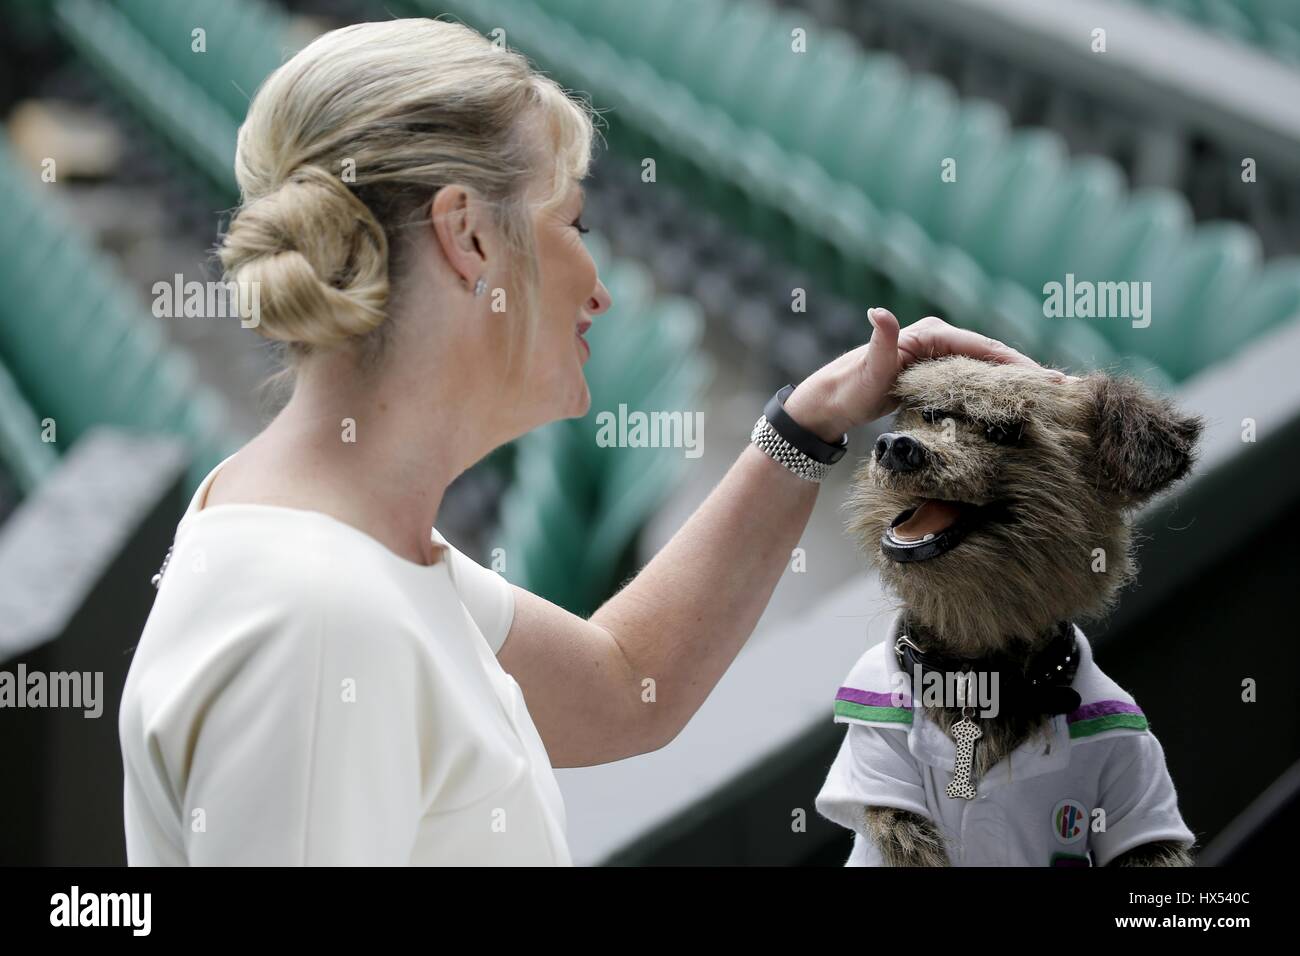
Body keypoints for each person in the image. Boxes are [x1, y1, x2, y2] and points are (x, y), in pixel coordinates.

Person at [118, 17, 1064, 865]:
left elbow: (626, 687)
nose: (600, 285)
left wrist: (807, 426)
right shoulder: (321, 622)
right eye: (572, 223)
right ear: (469, 240)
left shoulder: (340, 539)